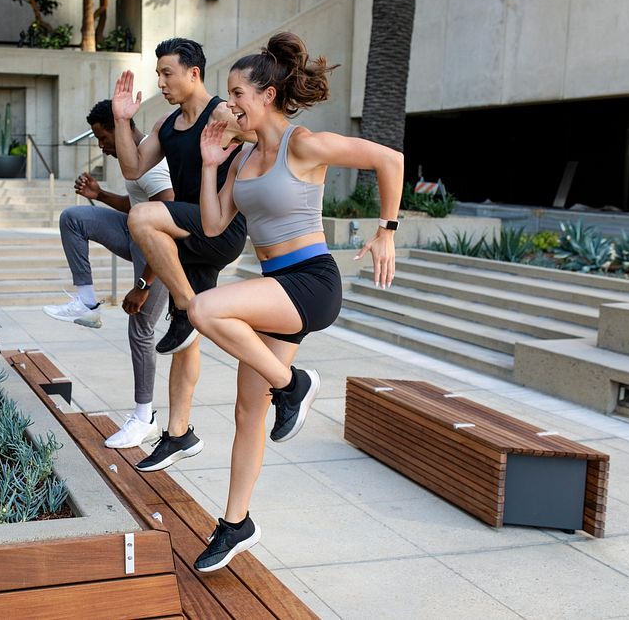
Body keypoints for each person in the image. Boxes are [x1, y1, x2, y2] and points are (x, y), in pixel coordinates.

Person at [186, 32, 403, 572]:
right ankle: (237, 522)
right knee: (246, 410)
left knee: (204, 309)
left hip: (310, 281)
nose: (228, 103)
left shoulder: (301, 144)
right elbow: (213, 225)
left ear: (266, 95)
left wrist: (387, 229)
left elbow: (389, 158)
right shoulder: (241, 159)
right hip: (273, 288)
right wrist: (212, 161)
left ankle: (295, 384)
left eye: (236, 93)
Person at [111, 38, 253, 472]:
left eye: (167, 72)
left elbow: (265, 135)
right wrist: (121, 120)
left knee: (141, 218)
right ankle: (179, 434)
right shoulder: (167, 126)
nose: (161, 81)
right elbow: (133, 167)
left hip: (219, 227)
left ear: (194, 73)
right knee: (183, 345)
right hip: (185, 233)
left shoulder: (224, 114)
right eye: (158, 73)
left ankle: (187, 307)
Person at [42, 100, 174, 448]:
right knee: (74, 217)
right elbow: (137, 206)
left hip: (159, 252)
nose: (101, 146)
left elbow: (170, 226)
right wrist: (98, 195)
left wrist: (144, 285)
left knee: (141, 328)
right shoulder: (136, 160)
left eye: (103, 138)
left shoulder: (153, 168)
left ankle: (144, 418)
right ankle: (87, 302)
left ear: (122, 130)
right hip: (134, 232)